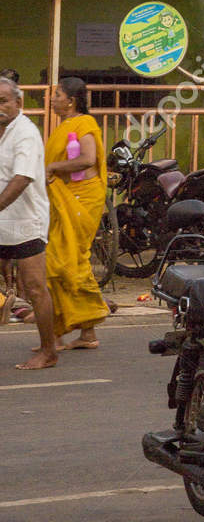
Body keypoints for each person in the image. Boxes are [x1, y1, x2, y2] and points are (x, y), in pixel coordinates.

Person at [44, 76, 108, 352]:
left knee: (69, 260)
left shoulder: (84, 124)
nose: (52, 99)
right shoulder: (65, 126)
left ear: (70, 101)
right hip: (67, 197)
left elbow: (87, 160)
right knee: (57, 260)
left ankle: (87, 330)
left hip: (84, 198)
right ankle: (58, 333)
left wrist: (53, 166)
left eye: (57, 94)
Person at [0, 77, 58, 370]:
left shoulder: (25, 133)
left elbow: (21, 178)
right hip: (2, 222)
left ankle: (49, 351)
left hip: (25, 222)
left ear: (18, 103)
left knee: (35, 288)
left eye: (3, 102)